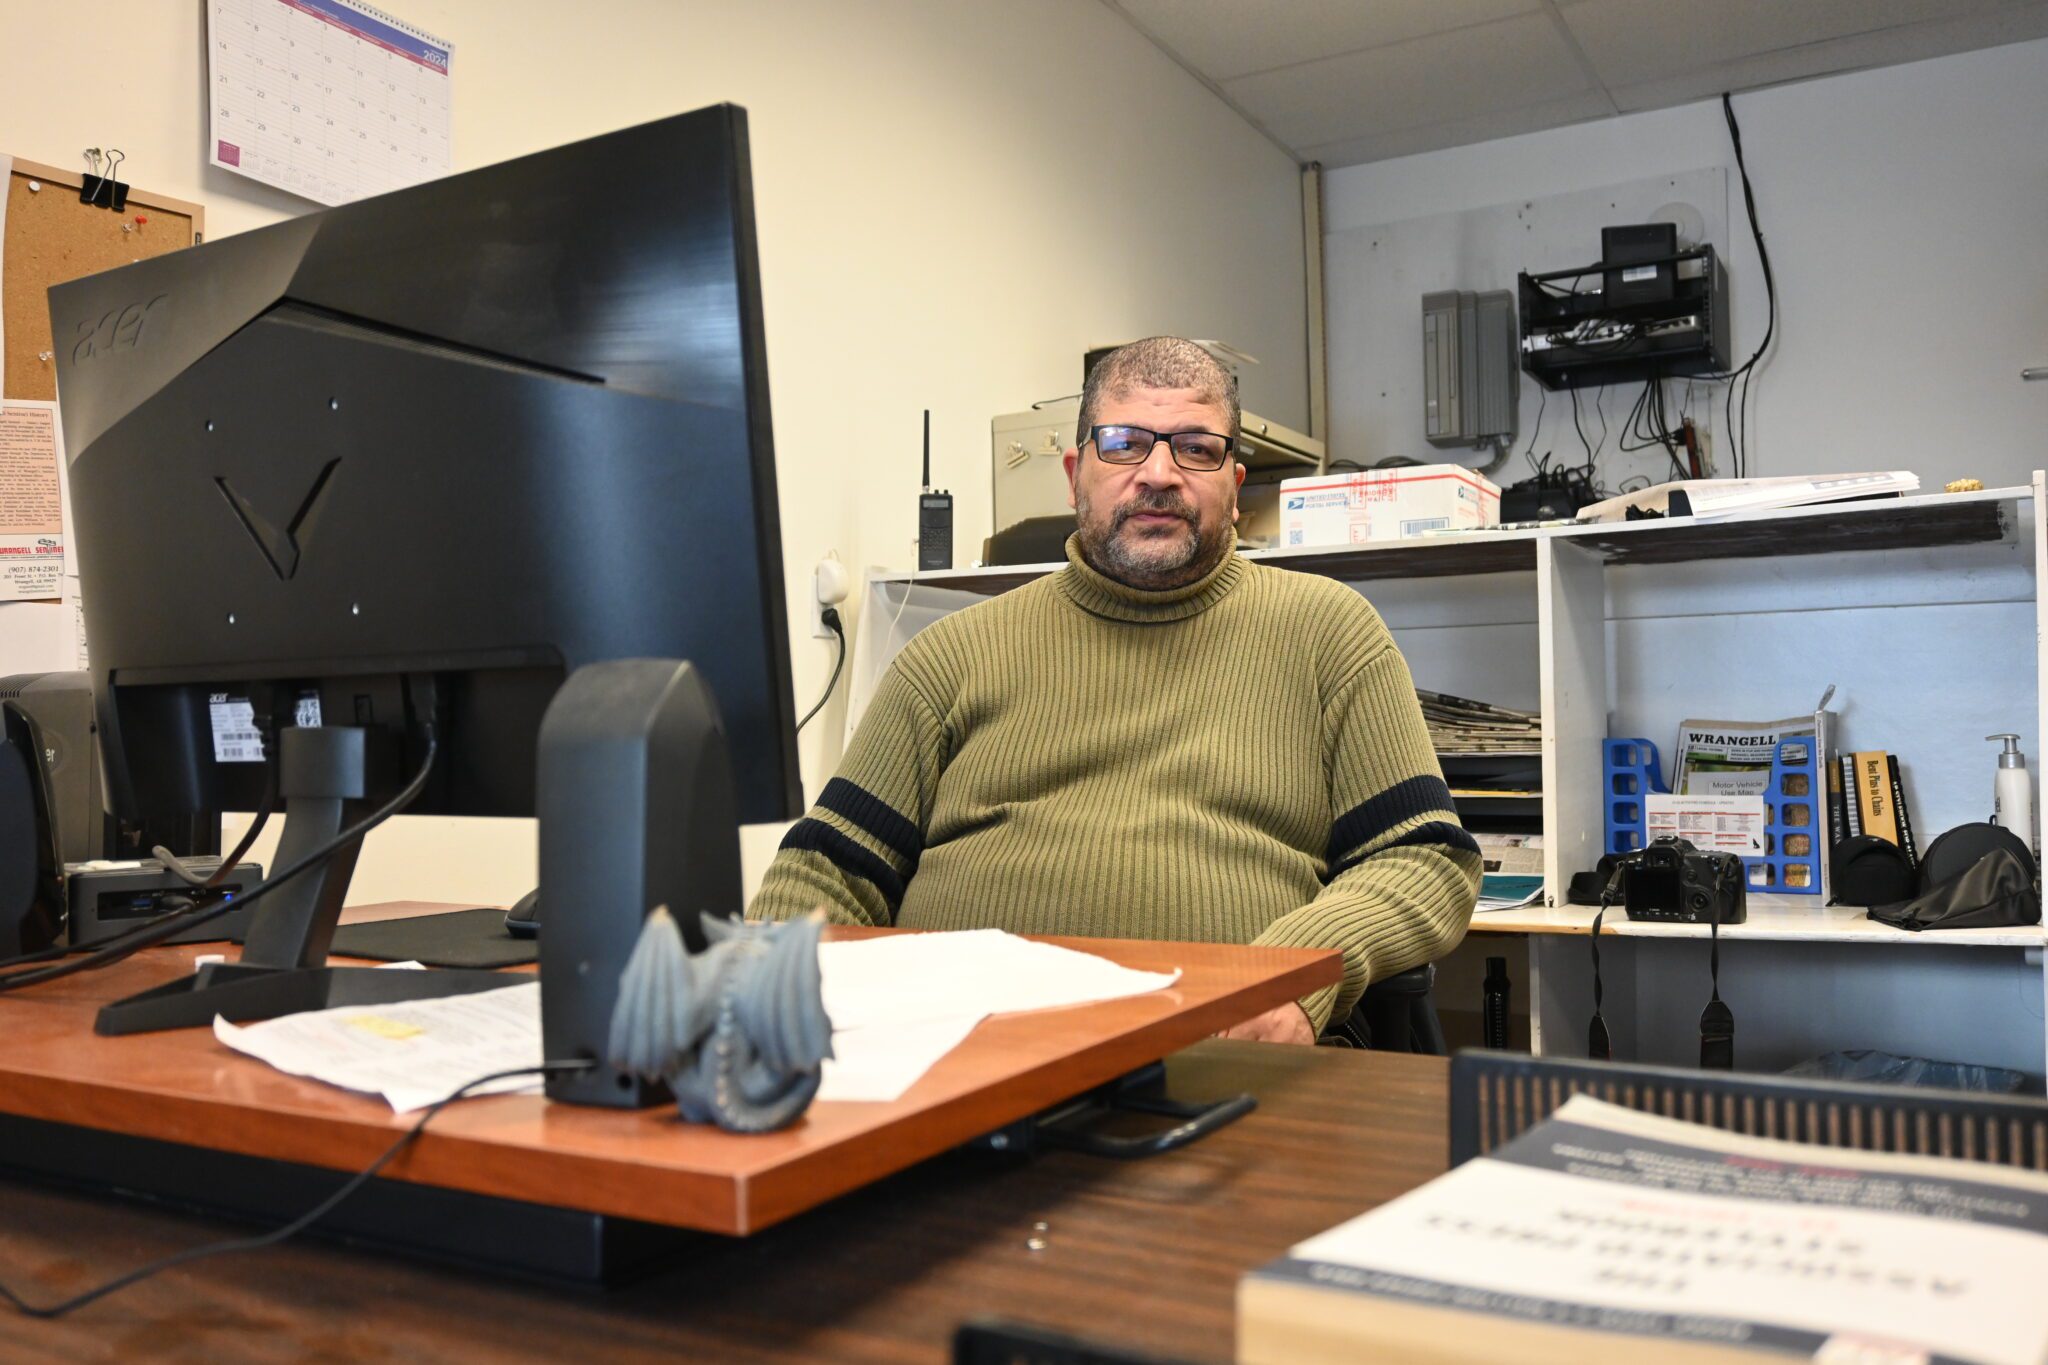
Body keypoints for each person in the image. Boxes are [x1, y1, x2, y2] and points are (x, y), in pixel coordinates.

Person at [749, 337, 1479, 1042]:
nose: (1159, 473)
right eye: (1124, 443)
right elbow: (824, 871)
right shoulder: (949, 656)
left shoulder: (1328, 632)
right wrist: (765, 1000)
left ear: (1235, 489)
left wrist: (1290, 973)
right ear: (1075, 475)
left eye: (1196, 448)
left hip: (1220, 1053)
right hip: (956, 1057)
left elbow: (1425, 857)